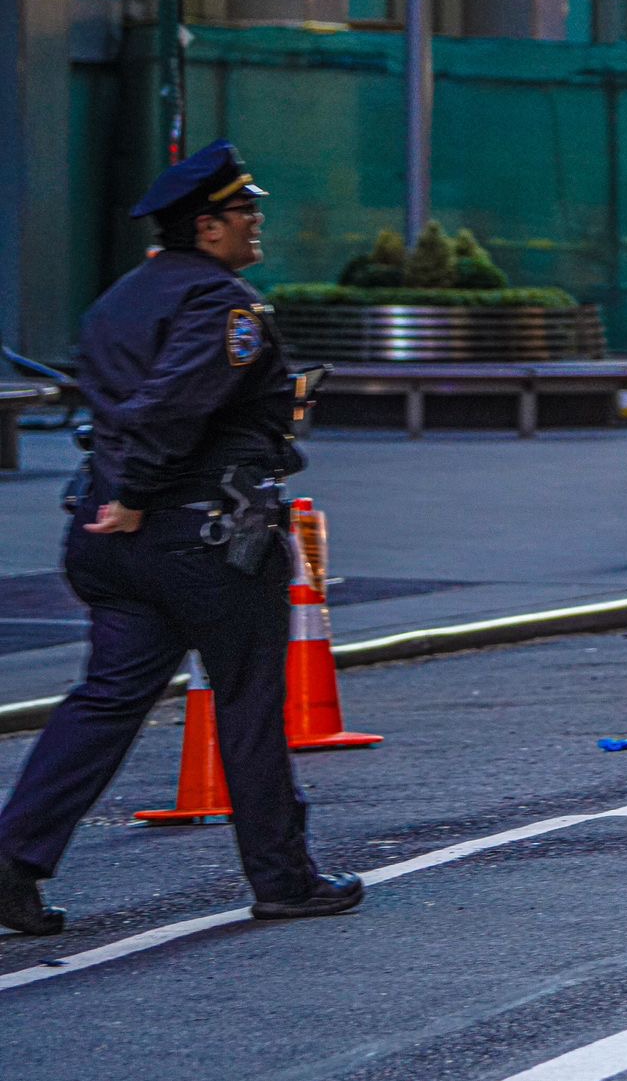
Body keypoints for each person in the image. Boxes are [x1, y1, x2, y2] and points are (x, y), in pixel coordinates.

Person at [0, 141, 361, 936]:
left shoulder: (115, 303)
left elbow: (125, 405)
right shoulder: (225, 305)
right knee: (249, 702)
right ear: (207, 226)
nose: (255, 222)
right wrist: (135, 492)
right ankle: (284, 878)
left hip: (110, 538)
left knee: (108, 697)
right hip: (200, 538)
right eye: (244, 212)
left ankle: (13, 860)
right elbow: (173, 404)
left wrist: (121, 494)